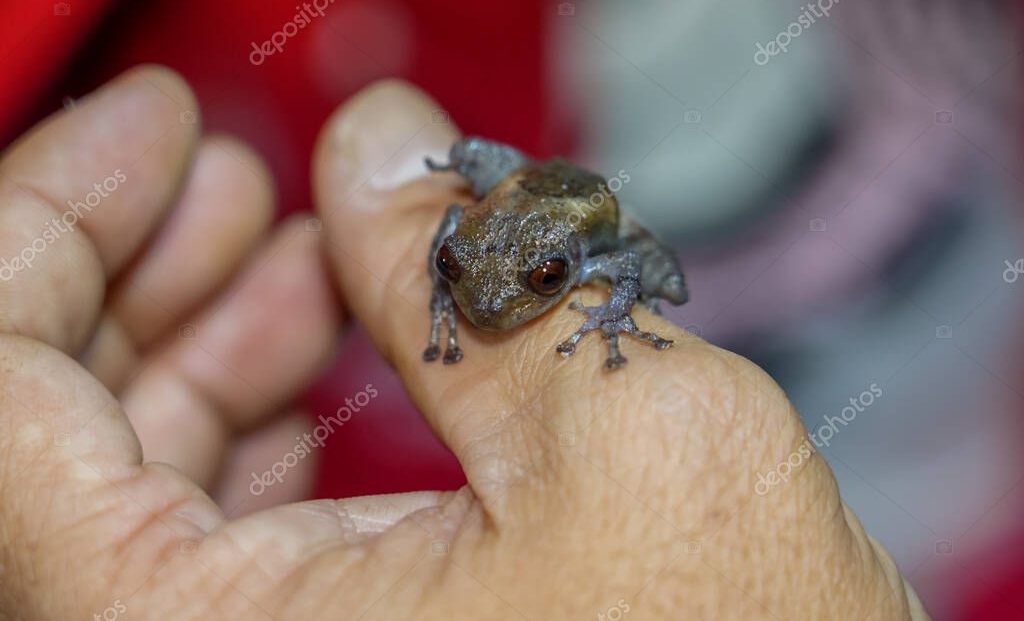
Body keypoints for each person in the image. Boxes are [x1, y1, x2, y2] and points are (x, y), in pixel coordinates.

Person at [0, 66, 927, 619]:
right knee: (473, 187)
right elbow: (448, 233)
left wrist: (608, 310)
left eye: (533, 289)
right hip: (521, 196)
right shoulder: (470, 238)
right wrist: (445, 284)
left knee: (662, 272)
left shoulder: (588, 252)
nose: (484, 304)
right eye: (463, 275)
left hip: (579, 216)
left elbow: (623, 263)